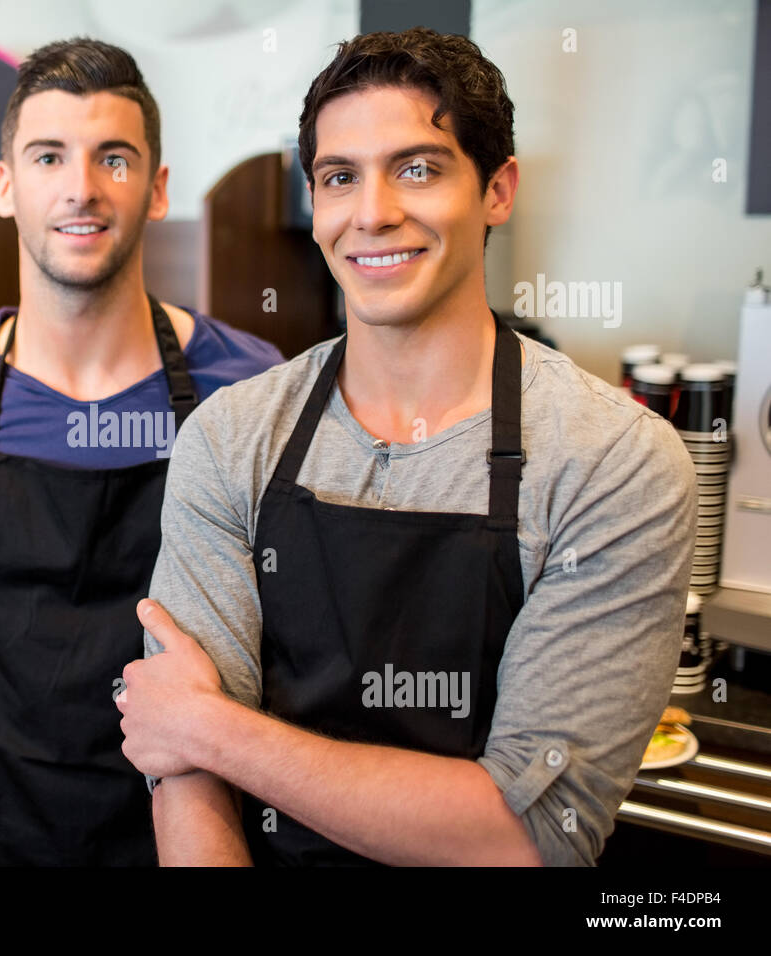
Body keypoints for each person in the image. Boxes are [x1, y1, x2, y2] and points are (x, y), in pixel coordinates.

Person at [115, 27, 697, 866]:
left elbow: (530, 835)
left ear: (498, 190)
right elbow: (185, 778)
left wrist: (216, 729)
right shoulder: (233, 435)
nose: (373, 212)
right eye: (339, 177)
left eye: (417, 168)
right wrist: (197, 743)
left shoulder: (612, 463)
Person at [0, 37, 282, 866]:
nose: (81, 189)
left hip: (191, 836)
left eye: (114, 159)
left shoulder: (250, 391)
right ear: (6, 187)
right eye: (49, 156)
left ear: (156, 190)